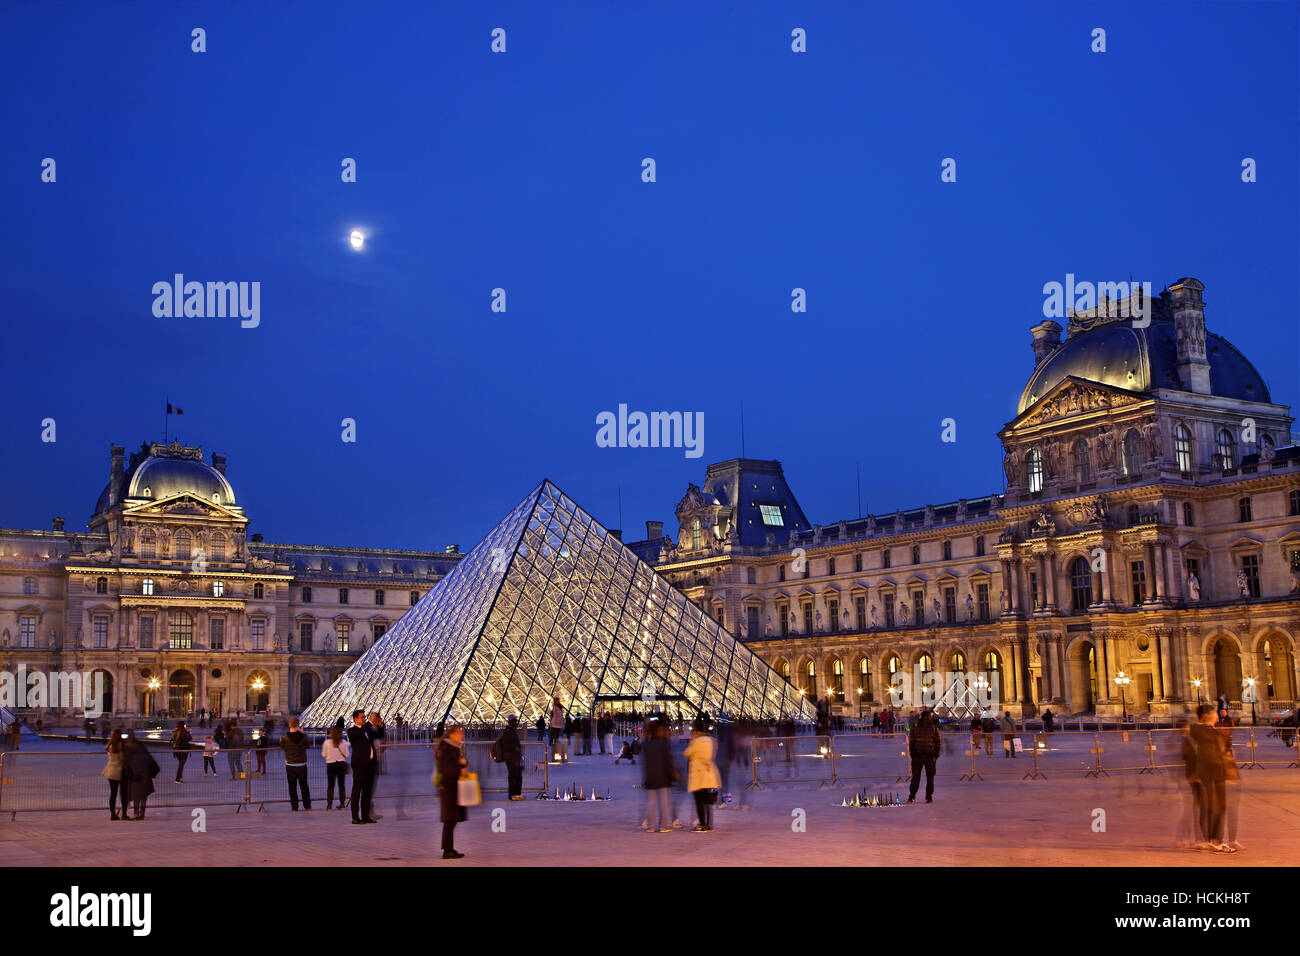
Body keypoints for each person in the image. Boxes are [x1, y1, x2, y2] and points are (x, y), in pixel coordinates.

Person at [1189, 703, 1234, 852]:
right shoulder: (1200, 729)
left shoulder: (1210, 730)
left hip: (1218, 772)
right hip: (1209, 773)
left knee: (1219, 807)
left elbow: (1225, 743)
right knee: (1212, 807)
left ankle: (1215, 839)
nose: (1217, 714)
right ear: (1206, 715)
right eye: (1214, 712)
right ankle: (1213, 840)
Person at [346, 708, 384, 824]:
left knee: (367, 792)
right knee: (357, 791)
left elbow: (379, 735)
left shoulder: (367, 730)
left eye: (365, 717)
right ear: (355, 719)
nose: (364, 719)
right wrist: (371, 723)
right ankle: (355, 817)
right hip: (360, 765)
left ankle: (366, 816)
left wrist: (380, 725)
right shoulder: (352, 731)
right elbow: (361, 731)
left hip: (370, 765)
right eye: (362, 717)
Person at [436, 724, 468, 858]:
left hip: (453, 787)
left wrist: (462, 764)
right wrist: (460, 768)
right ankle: (447, 850)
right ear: (452, 734)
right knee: (450, 820)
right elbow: (447, 769)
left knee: (452, 820)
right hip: (449, 788)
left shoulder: (452, 747)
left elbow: (456, 764)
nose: (462, 735)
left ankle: (449, 848)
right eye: (460, 733)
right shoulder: (447, 748)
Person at [684, 727, 721, 832]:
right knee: (708, 801)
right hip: (709, 773)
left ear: (696, 732)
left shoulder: (696, 742)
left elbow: (687, 753)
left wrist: (692, 741)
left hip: (699, 775)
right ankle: (709, 824)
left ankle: (702, 825)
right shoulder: (711, 741)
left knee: (699, 801)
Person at [642, 721, 673, 832]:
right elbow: (667, 761)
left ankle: (651, 826)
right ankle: (663, 826)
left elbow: (645, 762)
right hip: (663, 776)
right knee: (664, 803)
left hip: (651, 776)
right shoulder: (663, 743)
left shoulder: (647, 744)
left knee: (651, 802)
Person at [123, 731, 160, 820]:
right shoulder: (140, 745)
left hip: (135, 774)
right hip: (145, 773)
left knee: (136, 795)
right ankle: (142, 814)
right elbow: (149, 758)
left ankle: (136, 813)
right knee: (143, 795)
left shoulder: (128, 747)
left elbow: (126, 762)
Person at [907, 709, 941, 804]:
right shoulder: (916, 728)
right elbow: (912, 741)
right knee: (915, 778)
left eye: (930, 717)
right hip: (918, 756)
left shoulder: (934, 728)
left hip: (930, 756)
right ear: (923, 717)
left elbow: (938, 742)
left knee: (930, 778)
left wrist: (936, 754)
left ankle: (929, 796)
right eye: (928, 717)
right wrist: (912, 753)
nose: (929, 718)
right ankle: (912, 796)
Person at [282, 717, 312, 811]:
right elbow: (307, 745)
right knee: (304, 786)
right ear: (298, 725)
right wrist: (302, 734)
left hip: (290, 765)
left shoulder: (284, 738)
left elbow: (282, 746)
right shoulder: (303, 737)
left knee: (292, 786)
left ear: (289, 725)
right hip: (302, 764)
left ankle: (294, 806)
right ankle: (307, 805)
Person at [322, 725, 350, 810]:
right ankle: (342, 804)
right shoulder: (344, 742)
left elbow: (323, 754)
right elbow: (347, 755)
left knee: (331, 786)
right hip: (341, 765)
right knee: (341, 785)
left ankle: (329, 805)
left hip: (331, 765)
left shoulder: (327, 742)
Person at [497, 715, 525, 800]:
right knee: (514, 776)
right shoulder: (508, 731)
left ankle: (516, 793)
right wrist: (515, 749)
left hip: (514, 757)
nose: (516, 722)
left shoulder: (510, 731)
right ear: (510, 721)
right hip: (511, 758)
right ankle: (513, 794)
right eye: (514, 721)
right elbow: (508, 745)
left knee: (516, 775)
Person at [102, 731, 128, 820]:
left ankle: (113, 814)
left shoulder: (109, 746)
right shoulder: (121, 745)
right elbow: (123, 758)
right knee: (124, 793)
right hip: (121, 771)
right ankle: (124, 814)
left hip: (111, 771)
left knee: (113, 794)